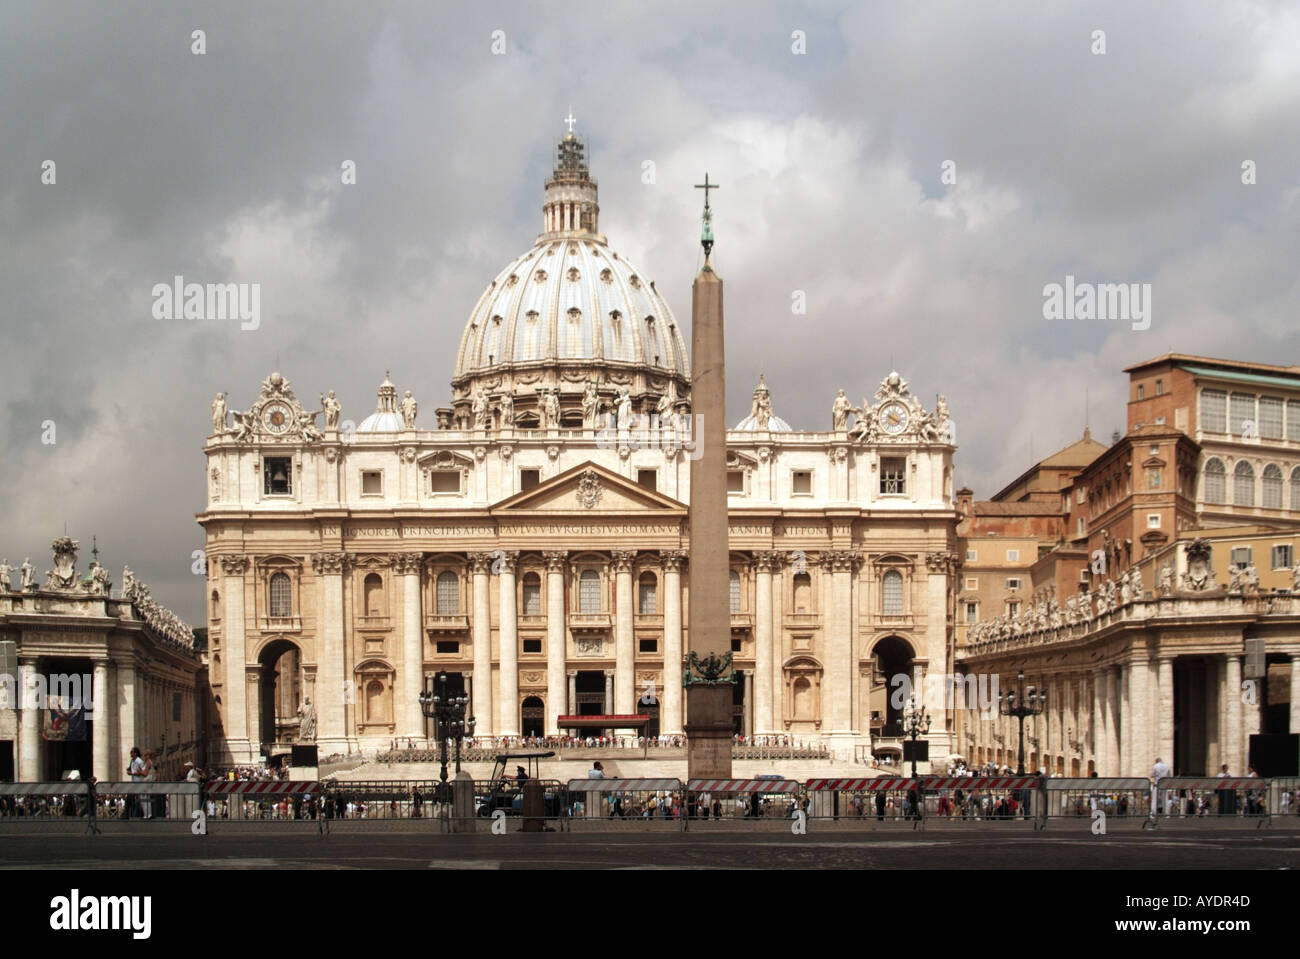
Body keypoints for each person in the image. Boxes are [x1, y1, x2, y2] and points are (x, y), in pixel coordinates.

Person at [126, 747, 146, 819]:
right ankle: (133, 814)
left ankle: (135, 814)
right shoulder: (132, 761)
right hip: (134, 782)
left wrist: (132, 773)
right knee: (132, 798)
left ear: (136, 753)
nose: (130, 754)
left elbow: (143, 772)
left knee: (136, 799)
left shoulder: (139, 761)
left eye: (132, 752)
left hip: (139, 782)